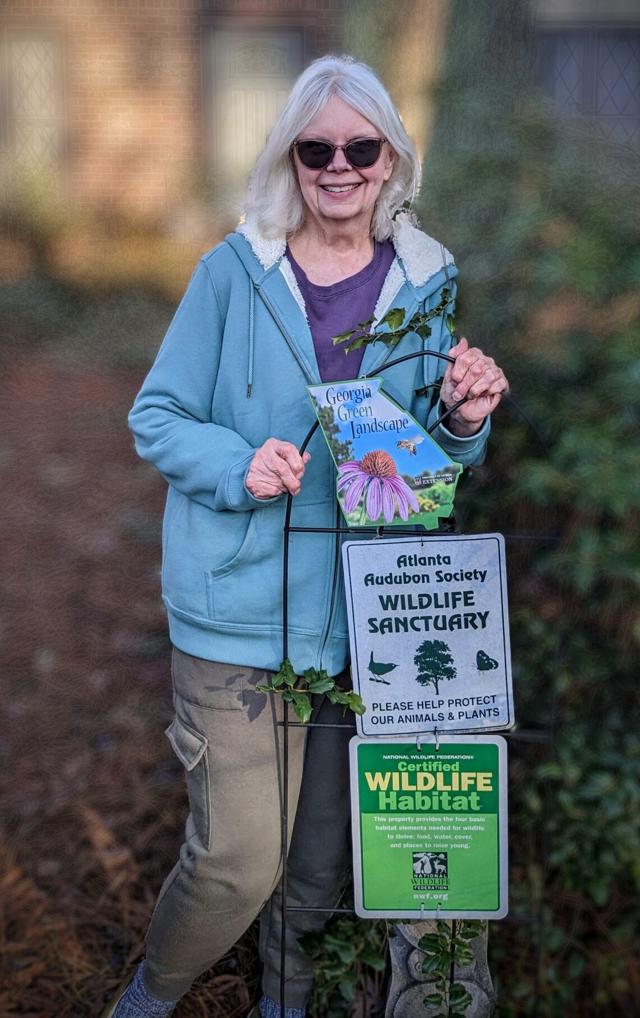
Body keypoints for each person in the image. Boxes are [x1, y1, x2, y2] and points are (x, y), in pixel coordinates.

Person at [105, 54, 508, 1018]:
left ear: (390, 160)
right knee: (241, 862)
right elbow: (156, 415)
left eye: (359, 147)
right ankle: (150, 996)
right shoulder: (232, 272)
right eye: (315, 146)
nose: (338, 165)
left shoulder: (427, 277)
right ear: (290, 159)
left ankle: (288, 1006)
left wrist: (462, 417)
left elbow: (419, 473)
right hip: (239, 609)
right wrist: (239, 464)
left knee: (320, 863)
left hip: (367, 622)